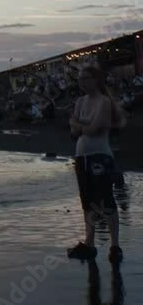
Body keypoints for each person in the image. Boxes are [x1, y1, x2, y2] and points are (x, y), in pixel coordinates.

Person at [67, 65, 123, 264]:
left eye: (86, 78)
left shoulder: (104, 102)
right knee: (87, 202)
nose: (82, 82)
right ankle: (89, 244)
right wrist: (80, 126)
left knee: (105, 200)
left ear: (96, 80)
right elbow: (75, 131)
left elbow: (93, 129)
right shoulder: (80, 102)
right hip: (82, 156)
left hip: (100, 155)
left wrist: (78, 124)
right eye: (80, 78)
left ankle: (115, 245)